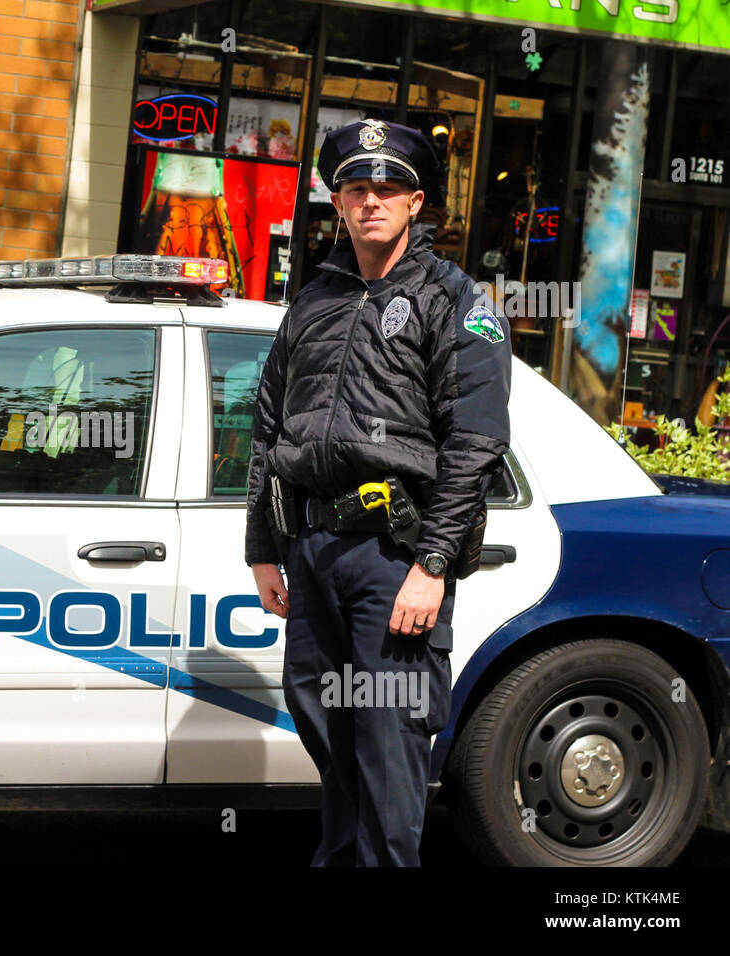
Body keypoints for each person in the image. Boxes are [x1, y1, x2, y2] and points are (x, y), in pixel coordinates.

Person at [245, 118, 512, 866]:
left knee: (388, 748)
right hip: (314, 551)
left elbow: (475, 443)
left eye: (387, 188)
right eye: (357, 188)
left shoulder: (457, 301)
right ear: (338, 201)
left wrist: (432, 565)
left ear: (415, 201)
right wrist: (264, 549)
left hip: (395, 559)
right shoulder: (313, 301)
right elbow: (269, 427)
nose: (371, 201)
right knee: (328, 728)